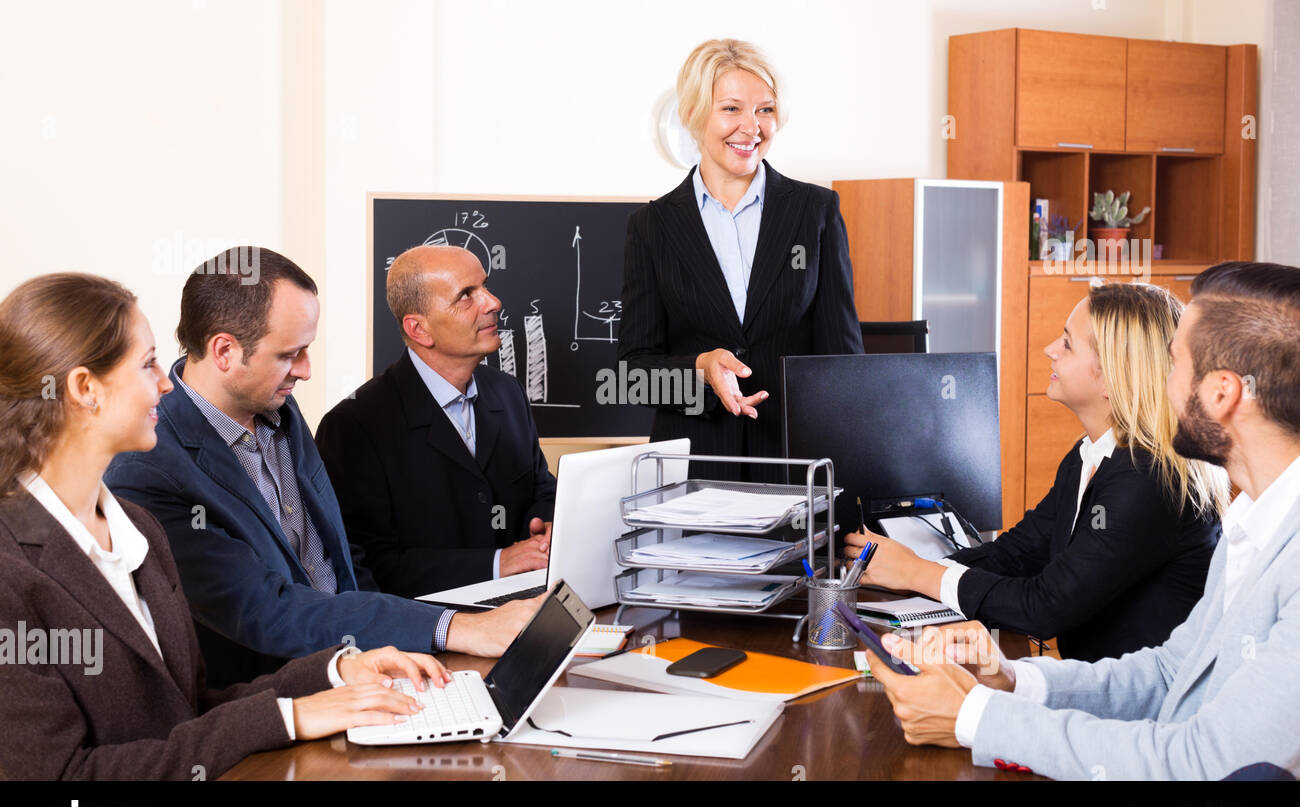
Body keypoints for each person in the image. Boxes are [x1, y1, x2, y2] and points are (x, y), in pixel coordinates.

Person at [0, 273, 452, 780]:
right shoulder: (11, 572)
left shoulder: (139, 531)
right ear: (86, 389)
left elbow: (191, 707)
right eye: (148, 364)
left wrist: (335, 670)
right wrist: (291, 716)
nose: (168, 382)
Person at [863, 261, 1300, 780]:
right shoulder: (1252, 528)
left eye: (1173, 360)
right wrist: (1011, 681)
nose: (1159, 378)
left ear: (1222, 394)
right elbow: (1167, 676)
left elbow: (1206, 766)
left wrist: (977, 717)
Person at [105, 247, 539, 688]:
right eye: (290, 354)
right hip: (280, 701)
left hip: (370, 667)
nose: (306, 371)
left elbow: (340, 559)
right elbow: (265, 610)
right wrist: (453, 627)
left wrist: (400, 644)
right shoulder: (148, 465)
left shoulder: (279, 409)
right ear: (224, 351)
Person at [845, 283, 1228, 661]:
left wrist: (916, 573)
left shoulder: (1147, 480)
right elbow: (1019, 553)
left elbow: (1045, 607)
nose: (1050, 350)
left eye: (1067, 343)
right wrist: (898, 567)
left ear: (1112, 376)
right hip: (1095, 687)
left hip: (1142, 708)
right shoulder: (1090, 456)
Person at [617, 38, 863, 482]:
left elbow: (843, 365)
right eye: (731, 109)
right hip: (693, 473)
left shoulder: (815, 212)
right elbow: (633, 375)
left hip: (796, 469)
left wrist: (850, 484)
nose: (751, 127)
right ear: (693, 114)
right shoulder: (652, 227)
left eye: (765, 110)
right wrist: (701, 370)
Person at [315, 245, 557, 598]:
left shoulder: (508, 391)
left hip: (528, 605)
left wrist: (549, 524)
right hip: (429, 633)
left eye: (485, 287)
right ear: (419, 330)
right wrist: (497, 563)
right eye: (466, 296)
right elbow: (369, 566)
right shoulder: (354, 426)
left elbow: (540, 486)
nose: (493, 303)